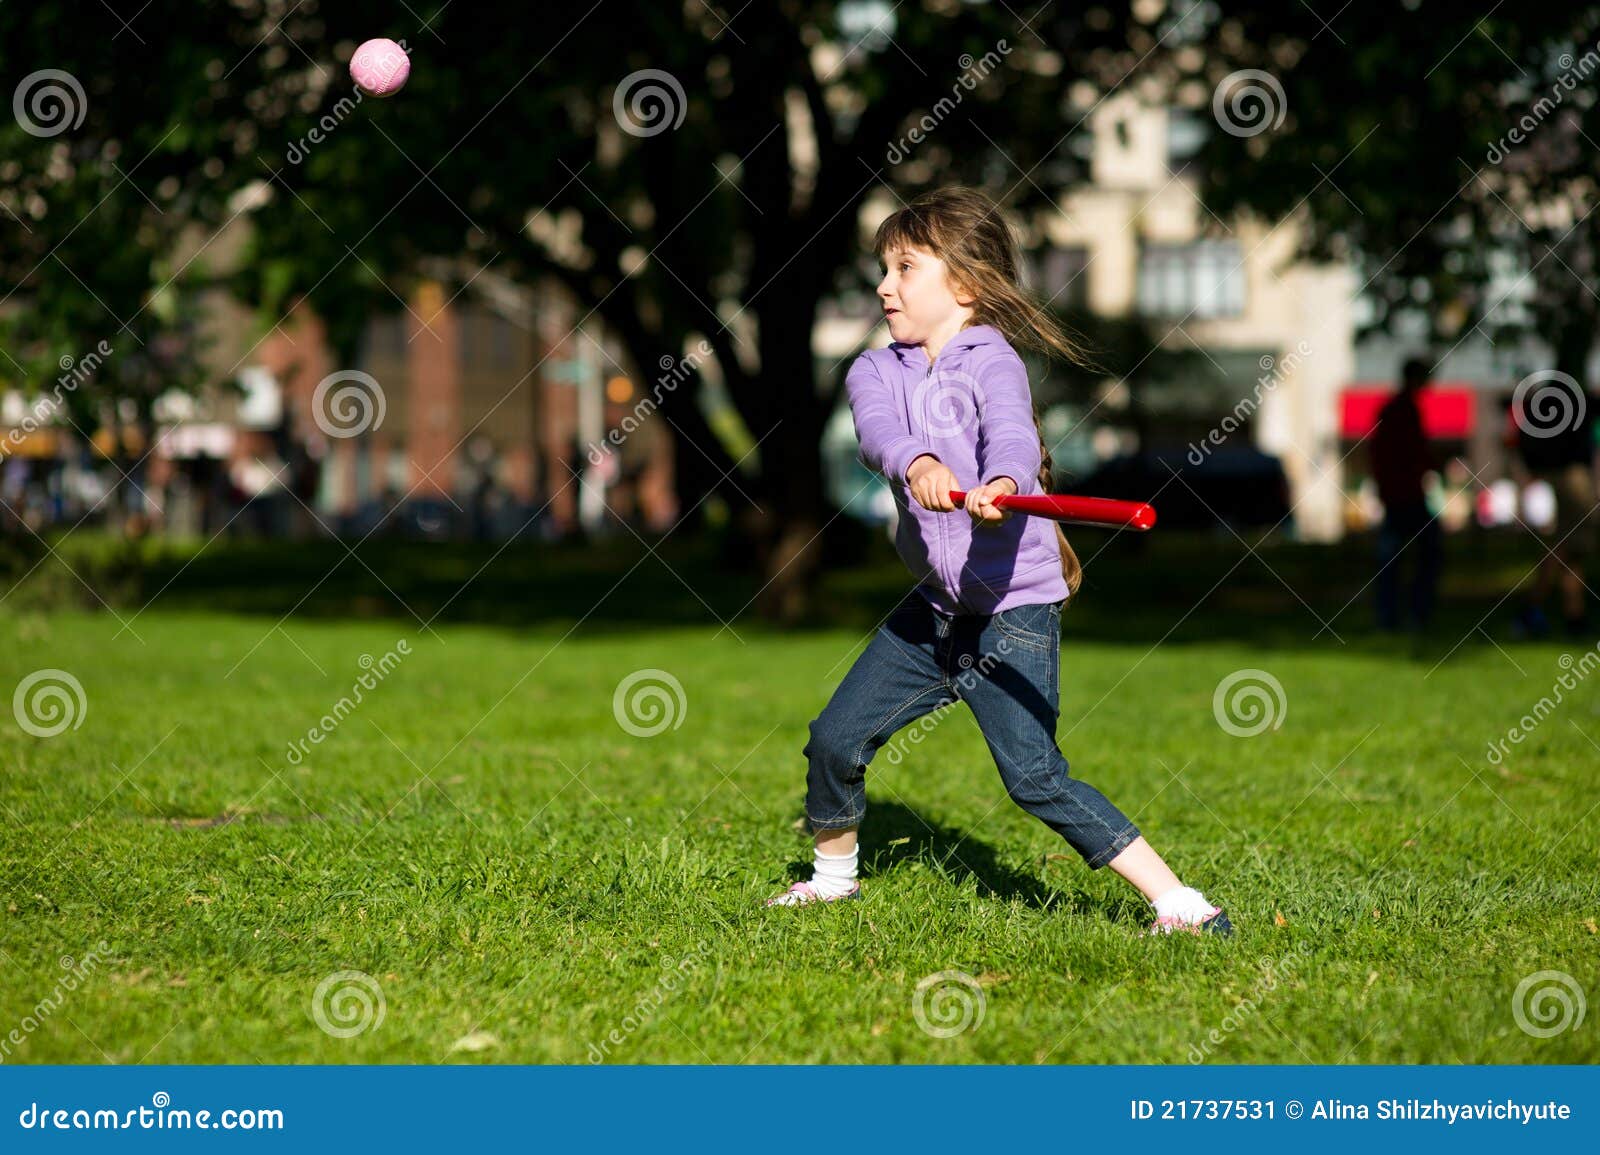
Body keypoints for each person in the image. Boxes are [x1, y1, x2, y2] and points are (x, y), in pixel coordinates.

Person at [763, 186, 1231, 937]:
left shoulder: (994, 363)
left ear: (965, 286)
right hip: (934, 609)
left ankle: (1180, 903)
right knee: (835, 738)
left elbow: (1010, 435)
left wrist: (1005, 484)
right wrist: (918, 463)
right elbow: (878, 435)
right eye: (883, 268)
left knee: (1033, 776)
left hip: (1013, 610)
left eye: (905, 268)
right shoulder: (874, 371)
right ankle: (832, 881)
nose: (884, 286)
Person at [1508, 373, 1597, 638]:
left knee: (1570, 551)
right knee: (1567, 548)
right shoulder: (1570, 404)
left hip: (1555, 479)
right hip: (1571, 479)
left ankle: (1573, 615)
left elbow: (1525, 449)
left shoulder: (1546, 408)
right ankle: (1532, 610)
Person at [1370, 357, 1442, 633]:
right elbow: (1410, 452)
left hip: (1399, 494)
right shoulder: (1403, 410)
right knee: (1422, 551)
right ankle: (1412, 611)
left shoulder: (1397, 408)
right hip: (1404, 495)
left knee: (1394, 556)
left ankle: (1394, 613)